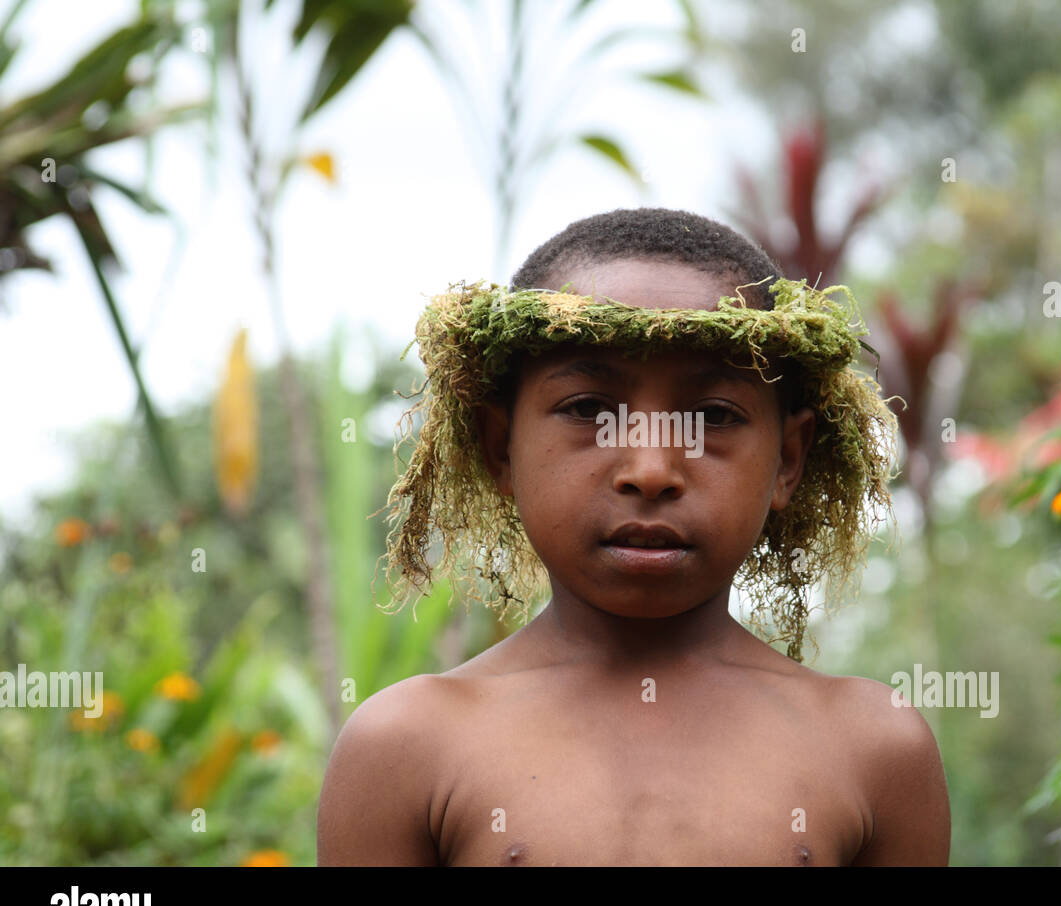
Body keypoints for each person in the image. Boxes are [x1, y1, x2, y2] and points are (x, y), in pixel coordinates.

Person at [316, 207, 950, 865]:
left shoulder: (874, 749)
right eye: (589, 410)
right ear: (500, 447)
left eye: (710, 417)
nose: (651, 469)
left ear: (787, 460)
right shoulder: (406, 748)